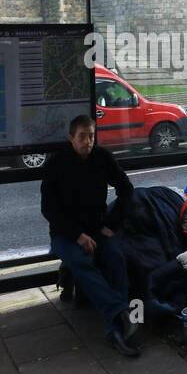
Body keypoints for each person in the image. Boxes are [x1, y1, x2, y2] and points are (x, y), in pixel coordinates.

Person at [41, 115, 140, 356]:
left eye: (92, 136)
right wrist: (77, 235)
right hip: (65, 233)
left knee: (115, 257)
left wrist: (111, 224)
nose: (88, 141)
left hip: (97, 228)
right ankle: (121, 315)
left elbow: (126, 189)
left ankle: (114, 330)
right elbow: (49, 209)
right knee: (80, 261)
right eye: (82, 136)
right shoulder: (57, 164)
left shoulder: (102, 158)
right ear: (71, 138)